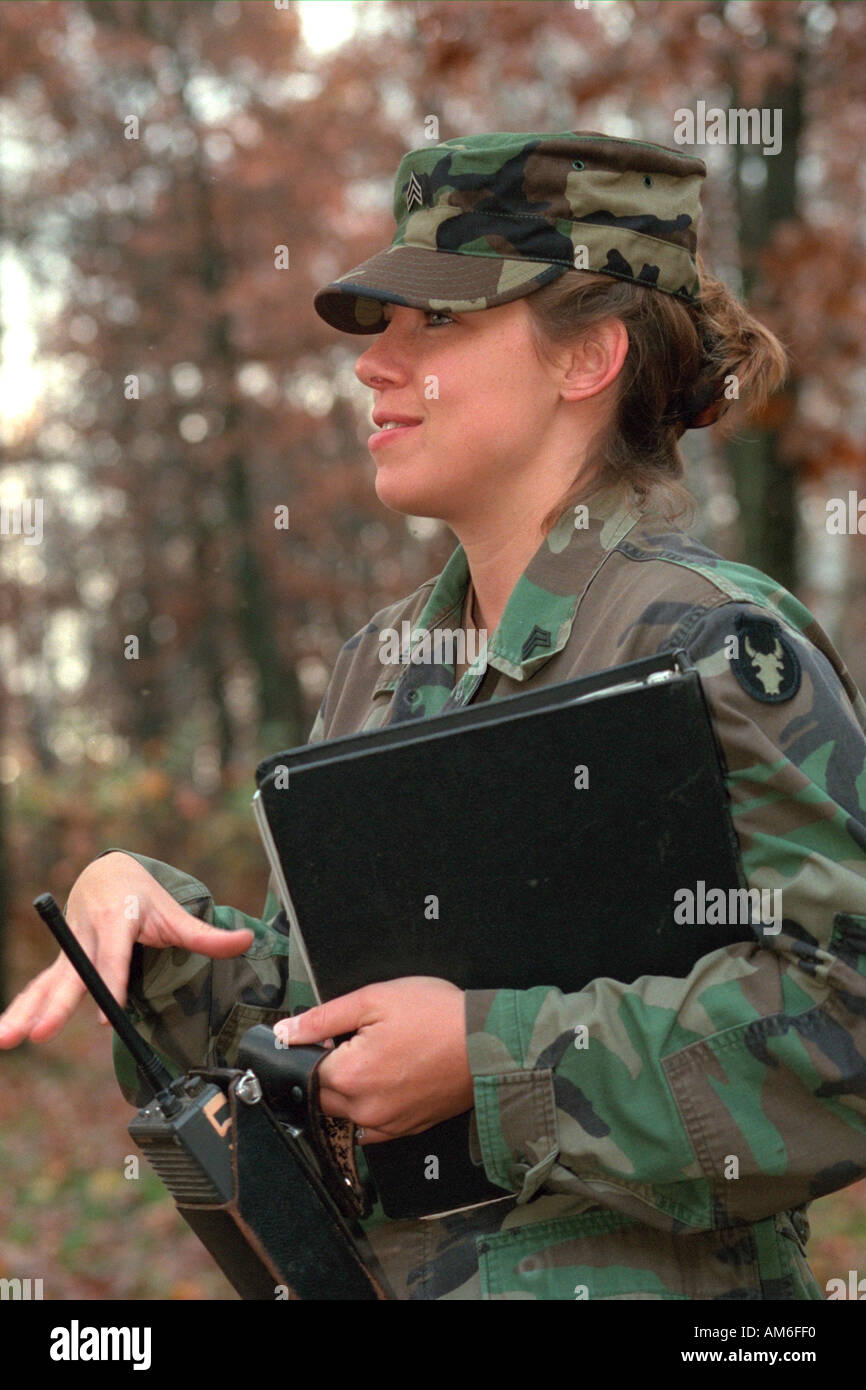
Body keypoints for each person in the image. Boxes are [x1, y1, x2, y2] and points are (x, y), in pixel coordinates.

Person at [2, 130, 865, 1301]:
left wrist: (487, 1061)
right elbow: (322, 1036)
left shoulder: (708, 643)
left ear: (587, 358)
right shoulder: (381, 668)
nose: (373, 364)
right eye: (380, 328)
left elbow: (843, 1028)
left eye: (436, 324)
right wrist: (153, 937)